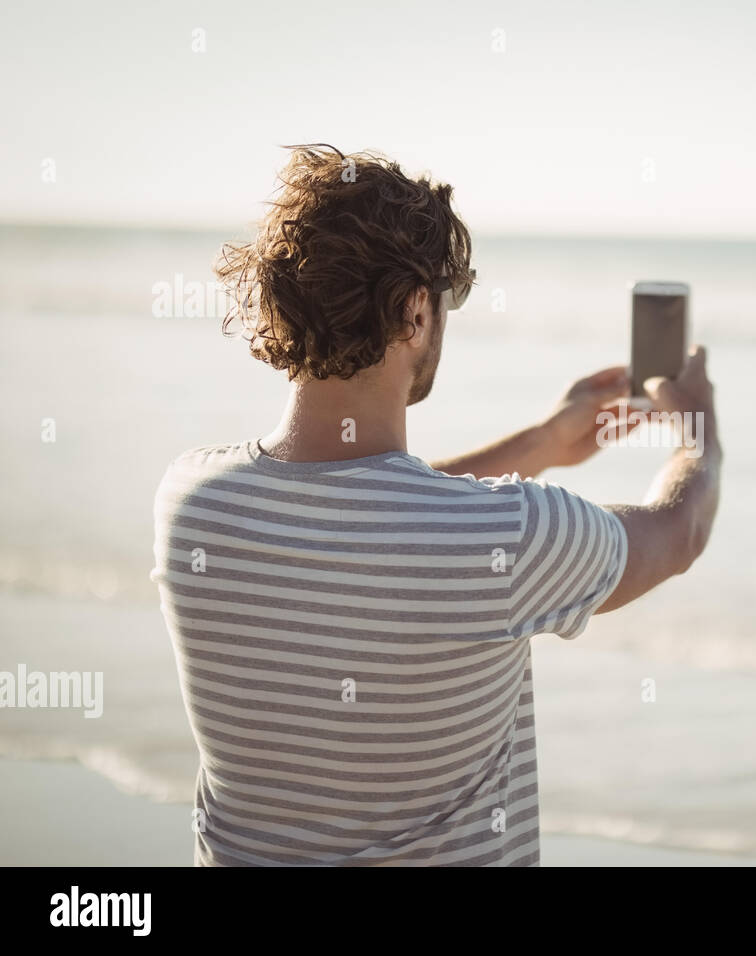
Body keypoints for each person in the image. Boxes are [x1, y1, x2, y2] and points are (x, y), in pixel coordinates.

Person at [150, 144, 722, 866]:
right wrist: (698, 430)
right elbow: (682, 531)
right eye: (448, 297)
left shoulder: (190, 502)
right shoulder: (511, 539)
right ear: (415, 312)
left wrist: (543, 440)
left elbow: (358, 512)